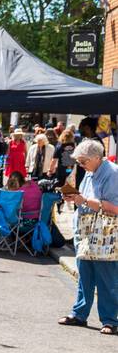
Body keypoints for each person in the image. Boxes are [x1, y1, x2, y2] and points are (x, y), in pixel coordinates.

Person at [58, 138, 118, 335]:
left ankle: (110, 320)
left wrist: (83, 200)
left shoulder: (112, 174)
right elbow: (84, 200)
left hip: (104, 233)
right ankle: (79, 313)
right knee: (85, 274)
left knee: (106, 277)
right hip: (86, 231)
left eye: (83, 161)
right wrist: (74, 198)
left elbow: (114, 208)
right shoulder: (91, 172)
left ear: (96, 157)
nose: (81, 165)